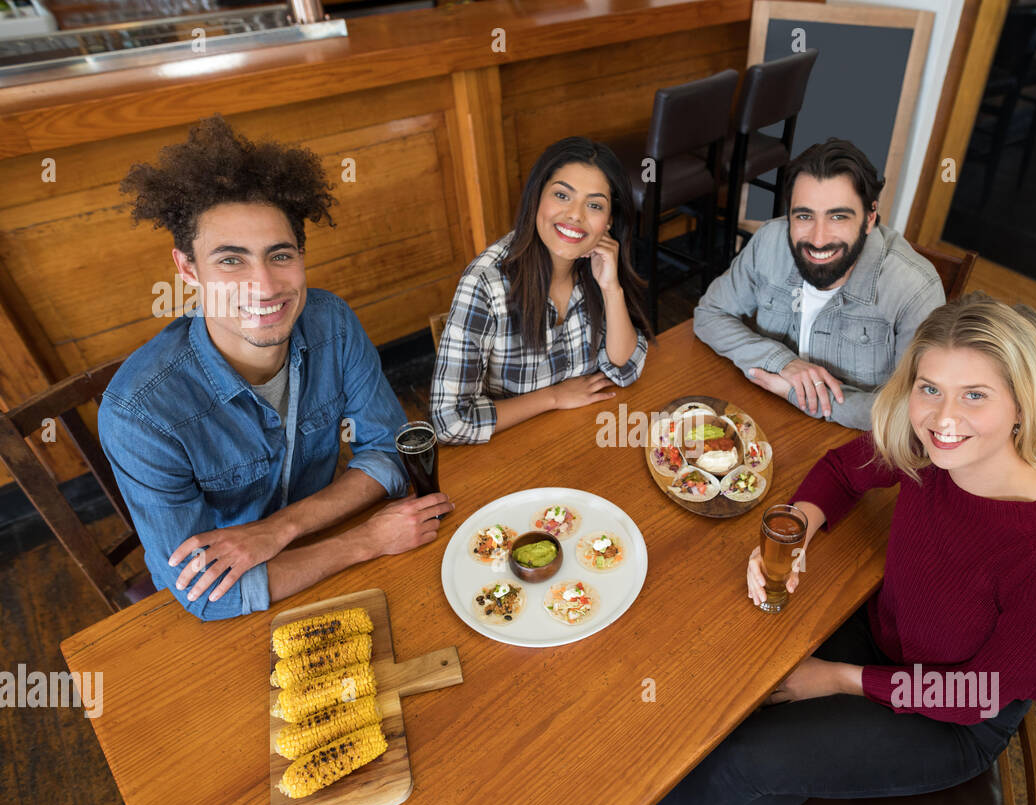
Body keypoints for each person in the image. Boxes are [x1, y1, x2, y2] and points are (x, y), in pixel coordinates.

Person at [598, 292, 1036, 805]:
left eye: (975, 396)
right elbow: (843, 469)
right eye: (930, 388)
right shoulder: (926, 447)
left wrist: (840, 679)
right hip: (886, 642)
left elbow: (977, 695)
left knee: (751, 755)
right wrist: (796, 531)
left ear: (1023, 405)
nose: (943, 418)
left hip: (955, 719)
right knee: (743, 684)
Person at [101, 115, 453, 621]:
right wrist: (364, 541)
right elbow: (207, 595)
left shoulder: (330, 320)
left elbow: (390, 454)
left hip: (321, 545)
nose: (264, 287)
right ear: (187, 269)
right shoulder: (138, 413)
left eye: (280, 255)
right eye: (230, 261)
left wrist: (281, 528)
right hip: (247, 602)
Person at [694, 138, 945, 430]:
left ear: (870, 217)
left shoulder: (915, 289)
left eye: (838, 216)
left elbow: (914, 410)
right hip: (761, 416)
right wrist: (781, 362)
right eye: (804, 216)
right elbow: (709, 314)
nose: (818, 238)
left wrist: (795, 393)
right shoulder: (770, 240)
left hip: (854, 445)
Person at [430, 137, 652, 443]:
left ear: (610, 221)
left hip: (582, 435)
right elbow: (449, 422)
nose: (575, 214)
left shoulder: (598, 262)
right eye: (562, 195)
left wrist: (612, 289)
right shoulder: (485, 283)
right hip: (511, 447)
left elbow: (624, 368)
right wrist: (554, 397)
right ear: (537, 197)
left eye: (594, 204)